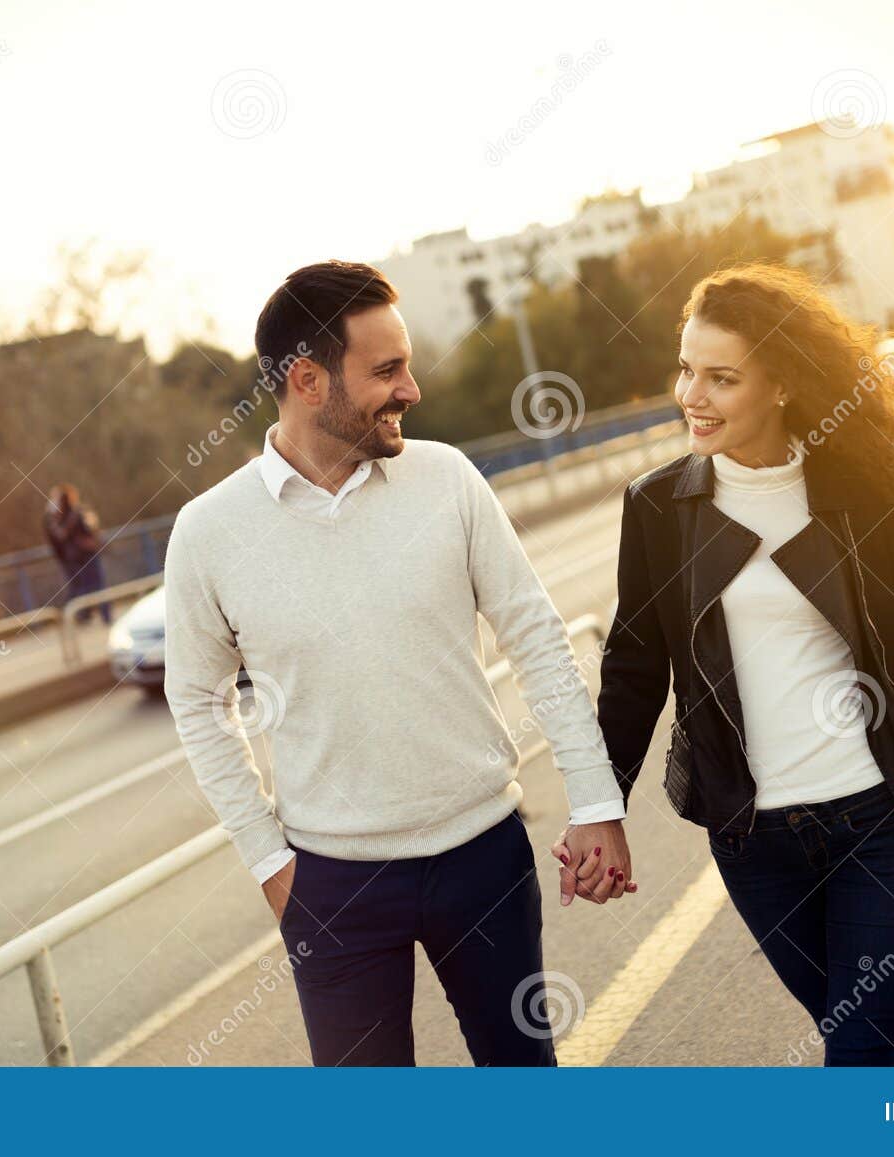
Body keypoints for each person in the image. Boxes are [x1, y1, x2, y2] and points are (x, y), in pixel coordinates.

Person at [162, 260, 634, 1067]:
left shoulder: (447, 479)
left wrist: (596, 800)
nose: (410, 389)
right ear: (308, 380)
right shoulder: (208, 532)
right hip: (332, 889)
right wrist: (270, 862)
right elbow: (201, 705)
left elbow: (536, 637)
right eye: (386, 371)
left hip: (483, 856)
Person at [558, 263, 894, 1066]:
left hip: (875, 822)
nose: (691, 395)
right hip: (755, 845)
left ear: (781, 385)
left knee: (858, 1052)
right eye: (686, 369)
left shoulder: (857, 493)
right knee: (864, 1054)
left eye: (722, 378)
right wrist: (597, 809)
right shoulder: (659, 508)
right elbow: (634, 669)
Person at [44, 484, 111, 624]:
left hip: (80, 556)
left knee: (89, 586)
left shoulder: (71, 514)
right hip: (78, 557)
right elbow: (61, 536)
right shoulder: (64, 516)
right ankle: (90, 615)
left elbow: (88, 529)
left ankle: (93, 615)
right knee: (89, 586)